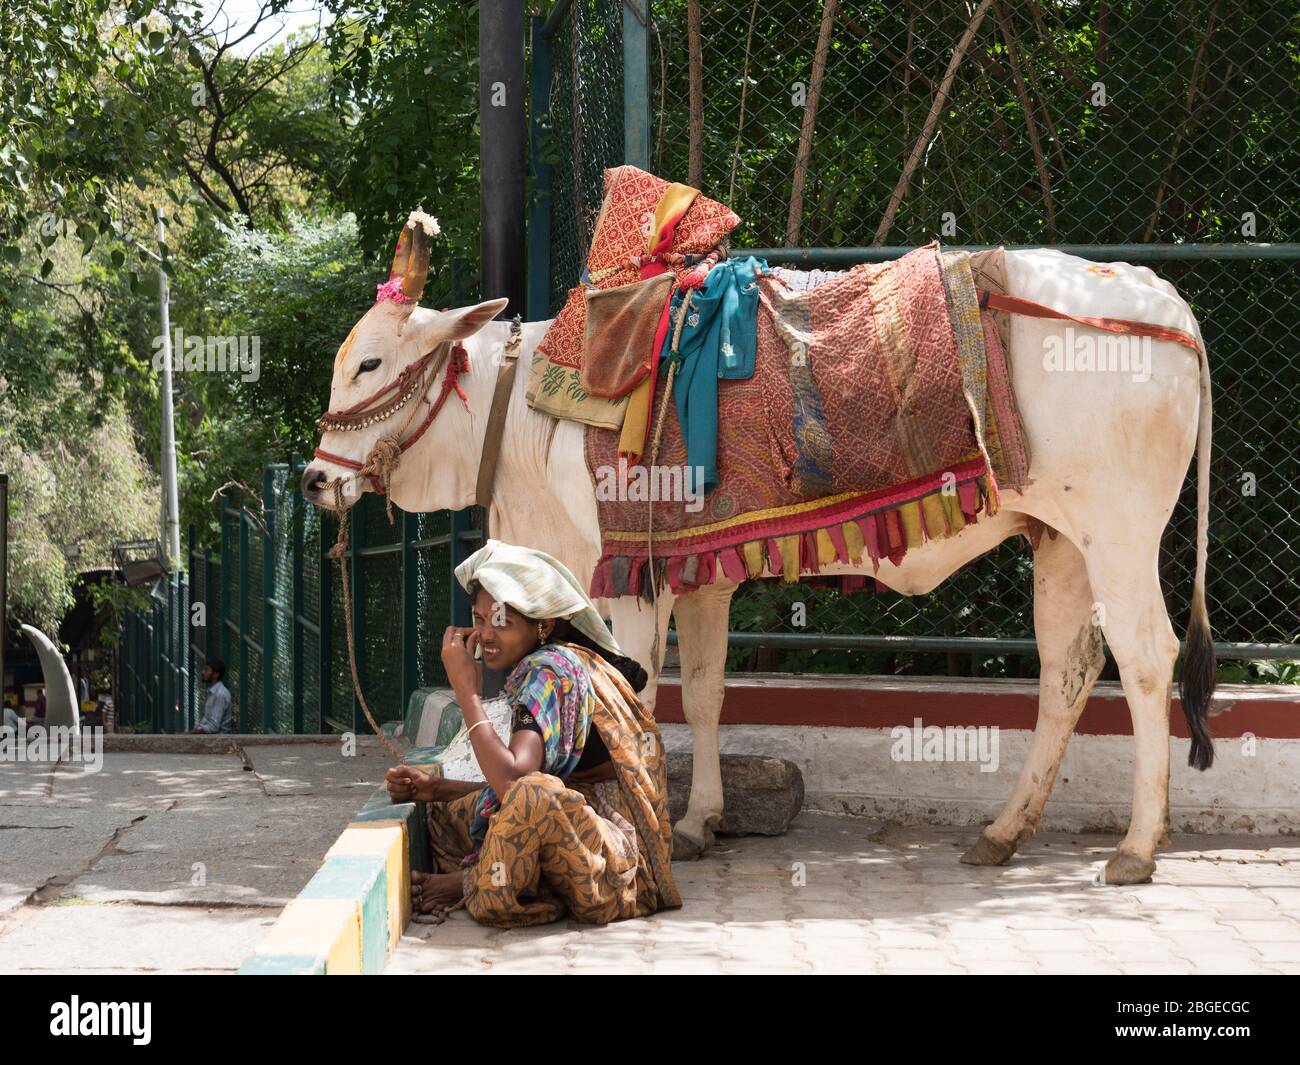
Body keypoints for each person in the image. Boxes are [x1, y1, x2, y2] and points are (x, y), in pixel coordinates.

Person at [385, 539, 680, 928]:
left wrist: (466, 693)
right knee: (445, 815)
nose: (486, 635)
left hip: (617, 868)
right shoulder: (550, 663)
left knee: (529, 795)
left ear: (542, 623)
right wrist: (436, 789)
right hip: (579, 832)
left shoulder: (550, 671)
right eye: (479, 619)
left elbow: (518, 784)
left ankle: (476, 883)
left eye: (501, 620)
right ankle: (518, 881)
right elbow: (547, 785)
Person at [191, 660, 233, 734]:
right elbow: (207, 720)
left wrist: (195, 732)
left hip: (219, 739)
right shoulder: (212, 692)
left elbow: (214, 727)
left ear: (216, 674)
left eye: (206, 670)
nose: (203, 672)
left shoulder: (220, 694)